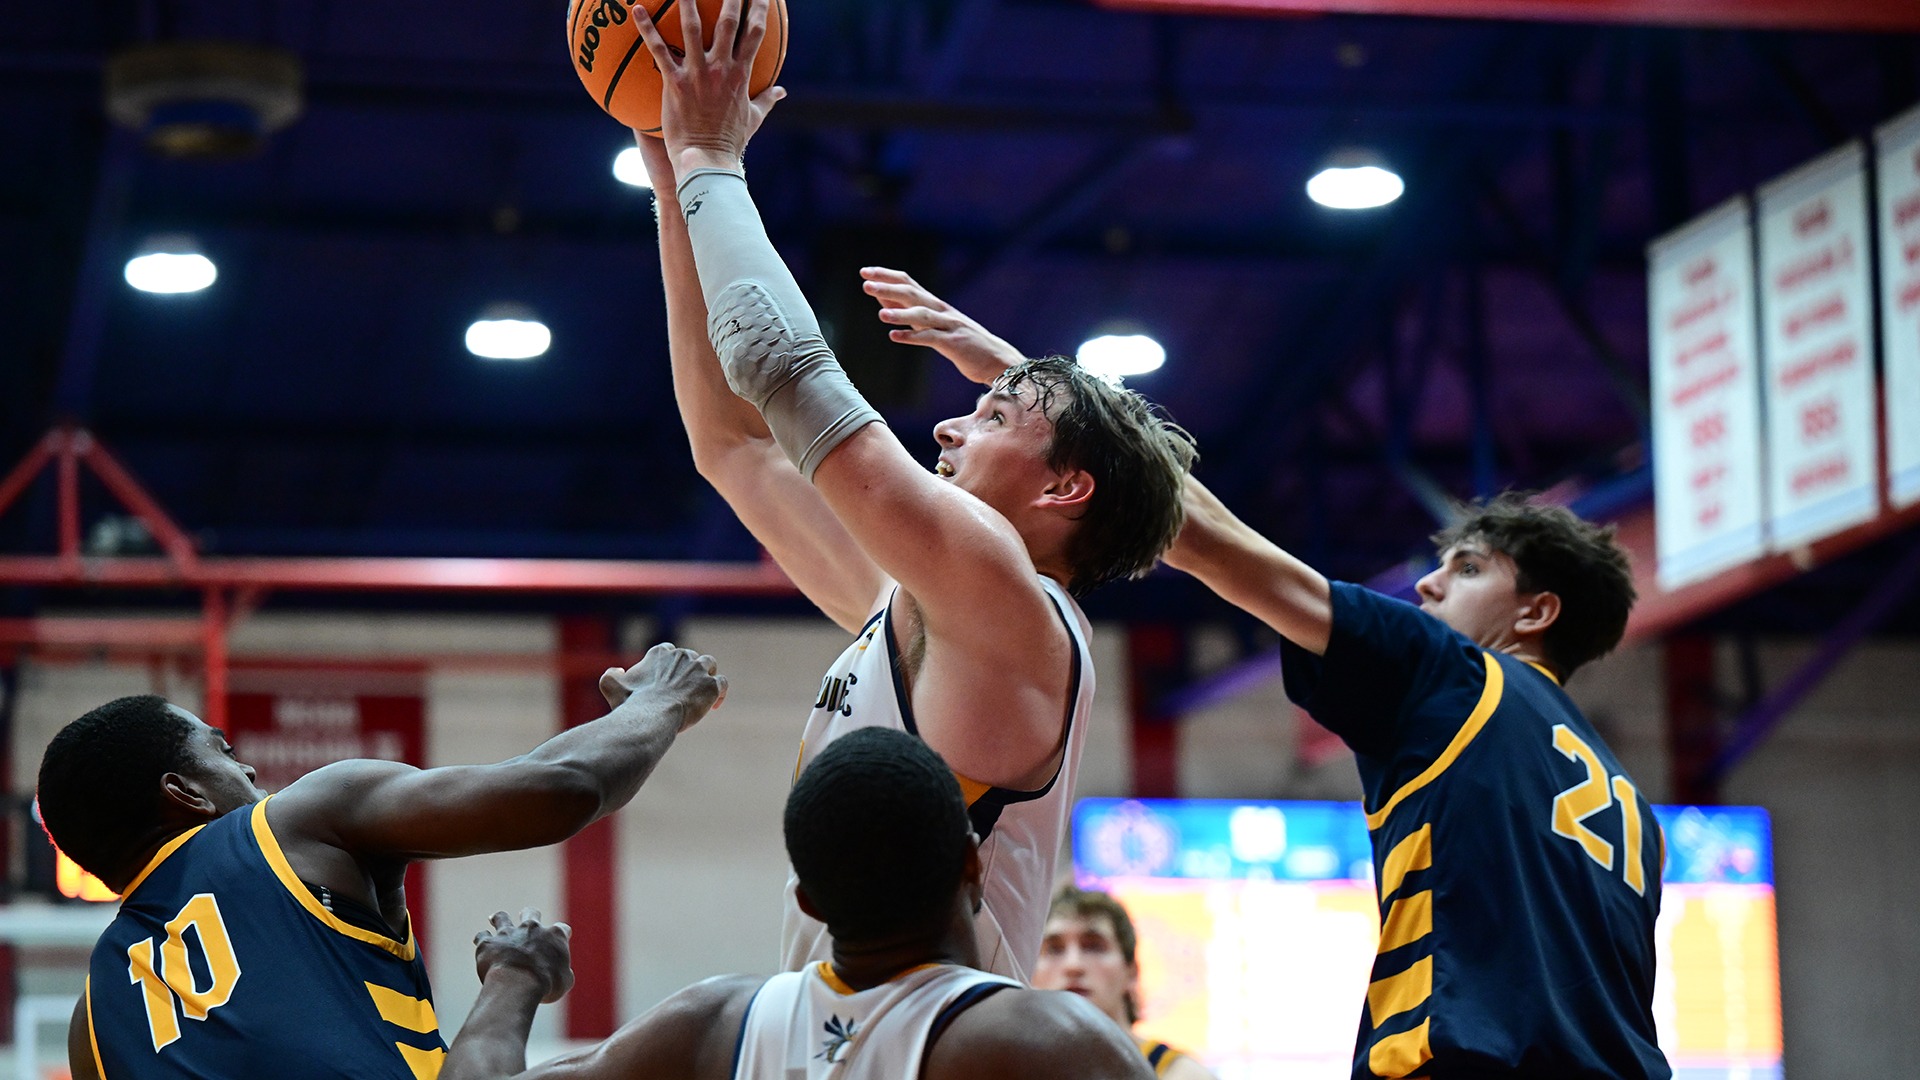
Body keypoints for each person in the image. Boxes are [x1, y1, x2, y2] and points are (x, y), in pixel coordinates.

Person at [864, 277, 1670, 1078]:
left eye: (1464, 570)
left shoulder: (1463, 679)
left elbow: (1212, 540)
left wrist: (1041, 407)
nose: (1426, 587)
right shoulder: (1633, 807)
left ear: (1534, 614)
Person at [621, 0, 1194, 981]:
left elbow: (786, 374)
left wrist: (714, 159)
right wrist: (672, 174)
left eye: (995, 416)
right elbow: (733, 446)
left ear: (1066, 487)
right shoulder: (929, 613)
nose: (948, 423)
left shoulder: (1010, 606)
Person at [38, 642, 726, 1080]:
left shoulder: (91, 1030)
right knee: (708, 1021)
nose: (246, 764)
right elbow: (561, 789)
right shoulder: (291, 824)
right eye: (220, 750)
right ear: (182, 793)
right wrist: (661, 698)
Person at [436, 727, 1156, 1080]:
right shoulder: (1052, 1044)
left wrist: (515, 978)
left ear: (808, 902)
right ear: (971, 864)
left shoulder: (710, 1026)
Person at [1032, 887, 1216, 1080]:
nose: (1073, 965)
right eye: (1054, 949)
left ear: (1131, 972)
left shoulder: (1181, 1074)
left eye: (1094, 946)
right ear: (1031, 974)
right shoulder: (1012, 1065)